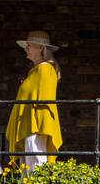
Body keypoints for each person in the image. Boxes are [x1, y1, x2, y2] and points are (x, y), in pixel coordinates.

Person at [5, 30, 62, 167]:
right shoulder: (35, 71)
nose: (26, 49)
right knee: (27, 164)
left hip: (36, 126)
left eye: (29, 45)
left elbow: (45, 101)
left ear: (41, 48)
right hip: (28, 124)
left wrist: (39, 125)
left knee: (35, 162)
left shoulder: (46, 69)